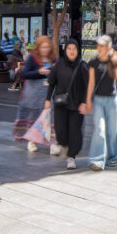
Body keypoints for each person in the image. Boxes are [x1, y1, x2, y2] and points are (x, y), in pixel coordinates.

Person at [86, 35, 117, 171]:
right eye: (98, 45)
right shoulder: (93, 62)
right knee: (99, 129)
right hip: (98, 100)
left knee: (112, 130)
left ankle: (112, 157)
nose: (99, 48)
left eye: (102, 46)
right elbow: (91, 82)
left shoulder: (116, 61)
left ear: (109, 47)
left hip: (112, 100)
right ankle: (97, 160)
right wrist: (88, 100)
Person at [46, 39, 91, 170]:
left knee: (75, 132)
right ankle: (64, 145)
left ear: (78, 50)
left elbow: (88, 86)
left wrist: (85, 102)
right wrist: (47, 99)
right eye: (69, 48)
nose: (72, 51)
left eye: (74, 49)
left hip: (77, 105)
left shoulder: (82, 66)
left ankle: (72, 157)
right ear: (65, 50)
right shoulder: (59, 65)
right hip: (61, 104)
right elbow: (51, 83)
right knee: (60, 132)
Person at [17, 35, 56, 153]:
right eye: (43, 47)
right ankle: (31, 140)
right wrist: (39, 72)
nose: (45, 50)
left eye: (47, 47)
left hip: (48, 91)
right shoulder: (32, 58)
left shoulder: (53, 59)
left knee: (50, 116)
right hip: (34, 92)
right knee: (34, 117)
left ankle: (52, 142)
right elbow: (24, 73)